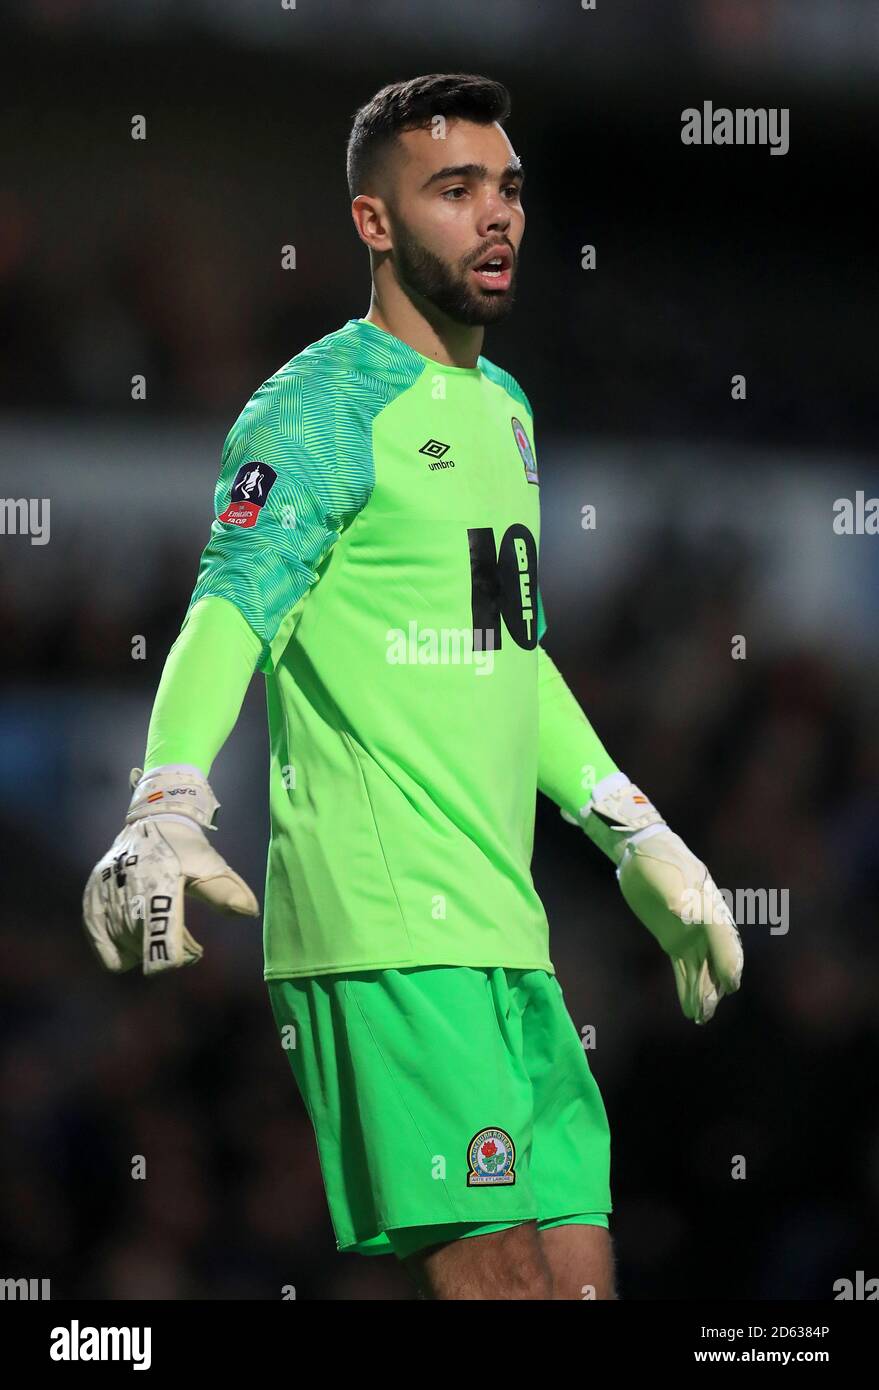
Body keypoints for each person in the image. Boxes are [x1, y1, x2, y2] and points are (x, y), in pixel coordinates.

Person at [83, 73, 743, 1301]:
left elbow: (511, 651)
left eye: (509, 188)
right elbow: (231, 603)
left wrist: (635, 827)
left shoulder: (507, 410)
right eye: (455, 190)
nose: (497, 215)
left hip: (506, 929)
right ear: (373, 223)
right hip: (387, 926)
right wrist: (166, 797)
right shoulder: (317, 407)